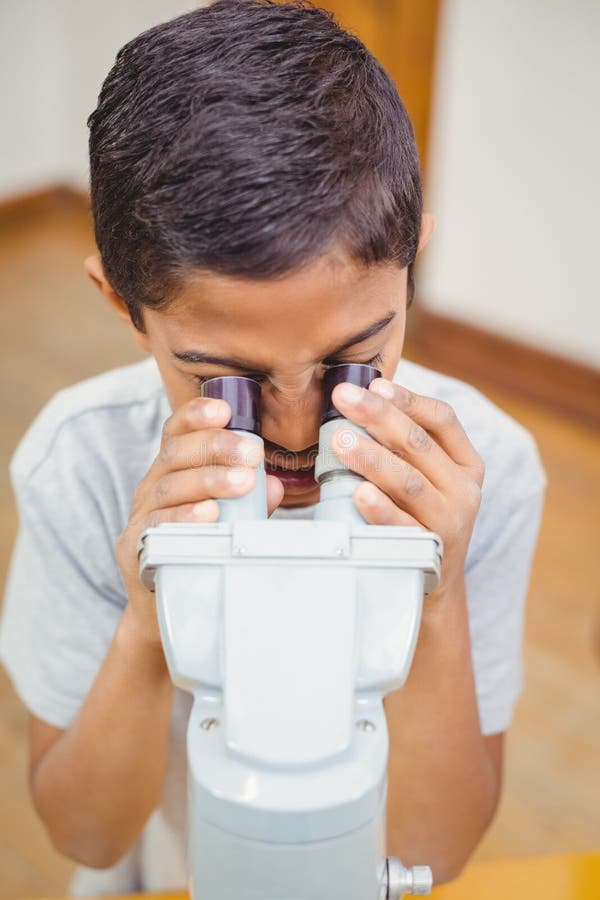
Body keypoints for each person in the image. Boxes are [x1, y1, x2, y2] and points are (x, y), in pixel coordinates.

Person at [0, 0, 546, 894]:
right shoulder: (83, 464)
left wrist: (437, 602)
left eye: (354, 366)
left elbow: (432, 854)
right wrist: (147, 619)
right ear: (123, 308)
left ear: (414, 265)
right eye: (228, 383)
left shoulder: (484, 470)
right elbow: (85, 836)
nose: (298, 431)